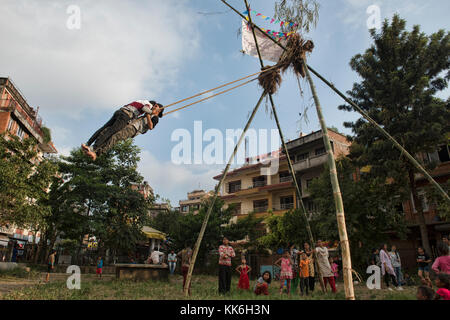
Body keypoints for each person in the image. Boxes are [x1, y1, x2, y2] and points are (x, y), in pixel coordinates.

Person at [82, 104, 163, 160]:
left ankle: (97, 153)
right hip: (129, 124)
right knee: (108, 131)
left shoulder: (155, 118)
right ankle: (92, 148)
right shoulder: (148, 112)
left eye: (156, 106)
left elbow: (151, 127)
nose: (153, 107)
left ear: (159, 110)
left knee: (115, 137)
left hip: (134, 129)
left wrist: (148, 115)